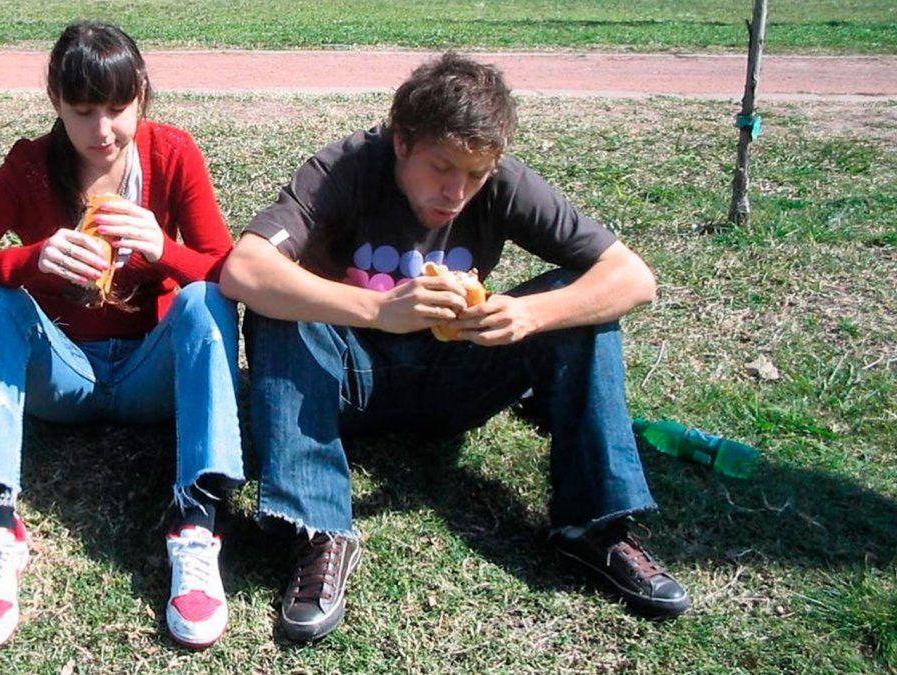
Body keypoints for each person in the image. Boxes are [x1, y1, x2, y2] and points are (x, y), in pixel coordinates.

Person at [220, 52, 692, 642]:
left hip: (456, 378)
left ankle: (592, 527)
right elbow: (244, 269)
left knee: (578, 305)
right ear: (401, 141)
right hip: (345, 381)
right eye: (441, 167)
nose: (456, 192)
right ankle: (318, 530)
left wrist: (530, 314)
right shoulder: (346, 168)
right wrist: (377, 310)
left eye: (475, 175)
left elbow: (632, 278)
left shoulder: (504, 181)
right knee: (280, 310)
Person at [0, 21, 243, 650]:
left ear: (141, 94)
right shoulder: (31, 167)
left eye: (117, 108)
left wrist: (164, 250)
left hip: (151, 378)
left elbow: (230, 274)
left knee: (205, 300)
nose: (103, 131)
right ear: (55, 102)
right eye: (83, 111)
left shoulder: (173, 153)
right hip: (62, 378)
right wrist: (28, 260)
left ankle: (197, 523)